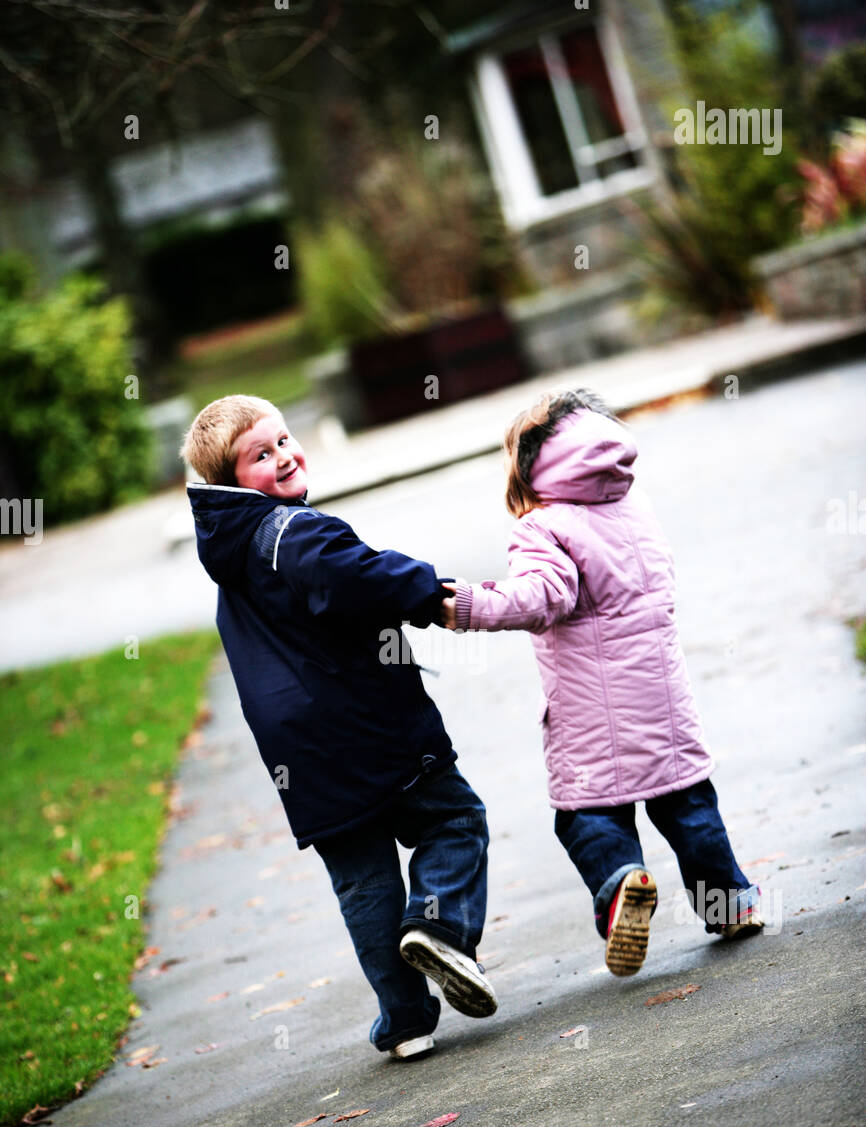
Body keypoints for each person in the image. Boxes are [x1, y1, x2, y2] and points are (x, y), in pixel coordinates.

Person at [182, 394, 496, 1060]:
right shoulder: (293, 533)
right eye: (260, 455)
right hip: (371, 726)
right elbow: (360, 575)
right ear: (233, 480)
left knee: (363, 878)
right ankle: (439, 928)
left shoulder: (233, 557)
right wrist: (429, 591)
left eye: (285, 439)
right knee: (454, 821)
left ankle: (406, 1021)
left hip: (304, 754)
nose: (284, 456)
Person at [441, 388, 763, 977]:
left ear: (529, 468)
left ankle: (620, 887)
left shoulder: (544, 527)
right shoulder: (634, 508)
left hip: (593, 715)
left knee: (587, 815)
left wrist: (464, 605)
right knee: (689, 805)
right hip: (665, 701)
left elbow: (542, 595)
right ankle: (731, 903)